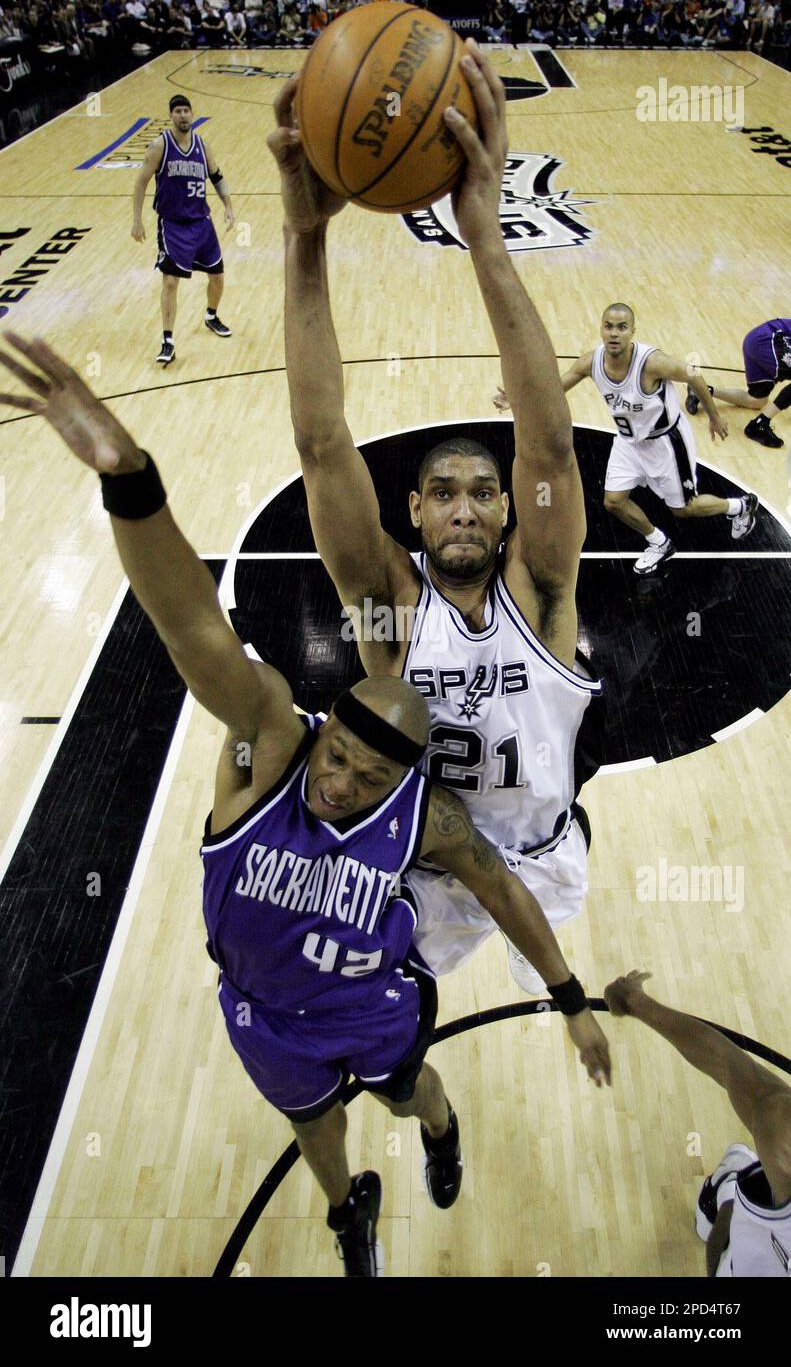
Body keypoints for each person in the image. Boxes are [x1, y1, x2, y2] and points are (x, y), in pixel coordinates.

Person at [0, 332, 611, 1278]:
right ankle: (346, 1210)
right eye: (339, 754)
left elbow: (499, 890)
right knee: (312, 1129)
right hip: (260, 1017)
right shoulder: (266, 750)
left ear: (404, 784)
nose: (339, 781)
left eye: (371, 779)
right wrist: (130, 482)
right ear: (319, 725)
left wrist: (569, 998)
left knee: (412, 1095)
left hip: (372, 1007)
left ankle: (441, 1133)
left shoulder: (424, 822)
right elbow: (192, 625)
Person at [267, 42, 605, 997]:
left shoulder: (541, 590)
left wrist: (485, 241)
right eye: (444, 493)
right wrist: (304, 239)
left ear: (506, 512)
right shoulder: (386, 605)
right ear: (410, 511)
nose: (464, 507)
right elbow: (322, 442)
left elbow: (546, 442)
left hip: (537, 856)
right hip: (416, 874)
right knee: (382, 1036)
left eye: (481, 493)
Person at [496, 303, 757, 575]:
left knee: (683, 508)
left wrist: (714, 415)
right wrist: (516, 399)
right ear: (601, 329)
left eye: (621, 327)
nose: (614, 333)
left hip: (666, 442)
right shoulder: (591, 362)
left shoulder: (652, 363)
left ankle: (739, 506)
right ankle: (659, 543)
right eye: (608, 326)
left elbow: (693, 374)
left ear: (633, 331)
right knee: (613, 501)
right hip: (628, 442)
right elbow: (553, 389)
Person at [605, 970, 791, 1277]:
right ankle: (728, 1189)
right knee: (723, 1241)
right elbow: (729, 1066)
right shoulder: (781, 1130)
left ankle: (733, 1187)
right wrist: (636, 1002)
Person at [131, 95, 234, 367]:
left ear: (192, 114)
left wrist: (228, 205)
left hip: (202, 223)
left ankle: (211, 316)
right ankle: (168, 341)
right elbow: (141, 182)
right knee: (170, 282)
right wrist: (136, 220)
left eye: (187, 110)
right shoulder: (159, 146)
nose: (183, 115)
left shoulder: (203, 146)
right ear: (171, 116)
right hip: (173, 225)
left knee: (218, 276)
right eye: (178, 111)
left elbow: (217, 176)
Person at [686, 316, 791, 449]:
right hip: (768, 341)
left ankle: (701, 390)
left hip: (755, 340)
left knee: (757, 401)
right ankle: (759, 425)